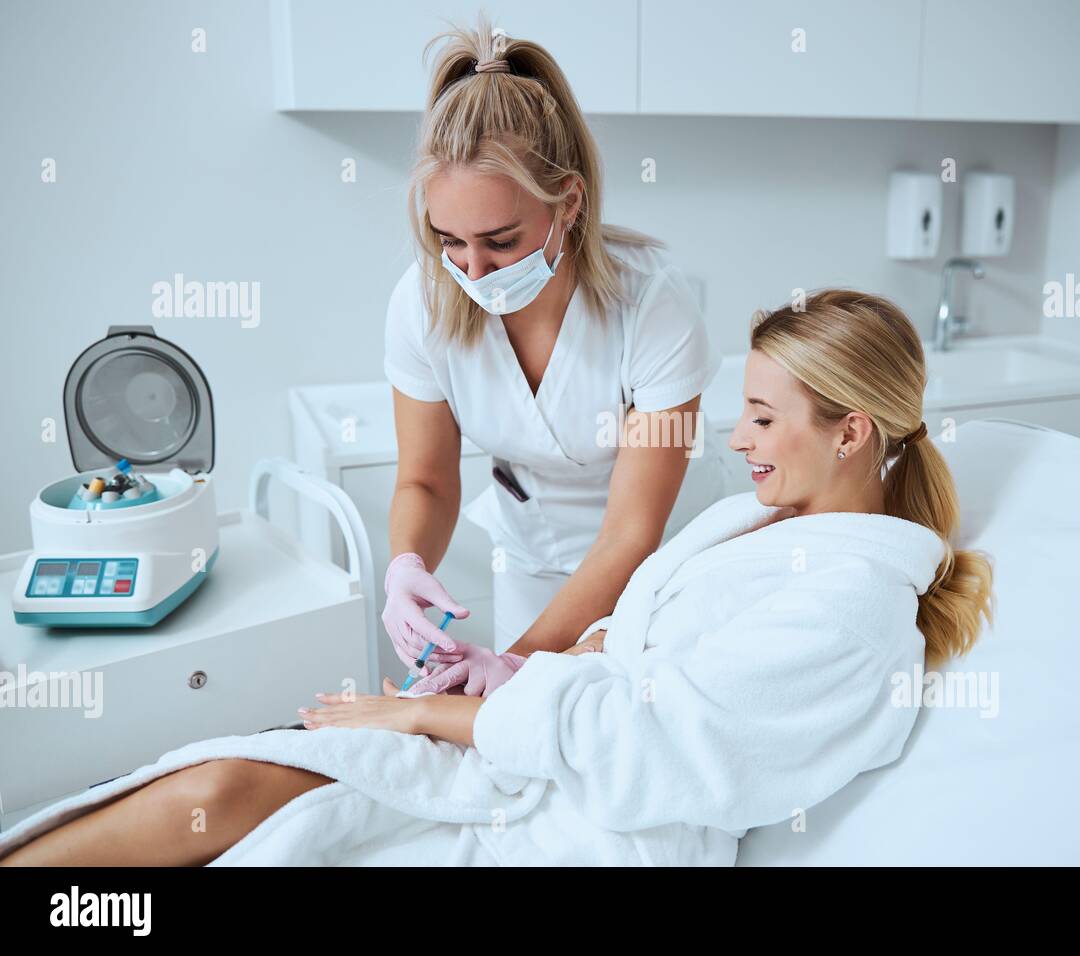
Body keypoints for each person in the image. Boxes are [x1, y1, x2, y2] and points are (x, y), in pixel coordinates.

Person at [0, 289, 993, 867]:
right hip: (529, 752)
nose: (737, 439)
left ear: (851, 431)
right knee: (220, 780)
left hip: (595, 830)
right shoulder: (754, 524)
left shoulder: (853, 609)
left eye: (765, 417)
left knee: (247, 804)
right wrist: (496, 673)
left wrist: (425, 717)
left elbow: (654, 743)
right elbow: (626, 642)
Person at [380, 16, 725, 697]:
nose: (473, 272)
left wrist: (514, 663)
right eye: (450, 240)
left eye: (501, 242)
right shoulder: (420, 304)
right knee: (524, 755)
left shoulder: (654, 307)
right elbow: (426, 479)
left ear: (568, 203)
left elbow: (631, 533)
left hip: (664, 561)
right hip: (531, 556)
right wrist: (405, 566)